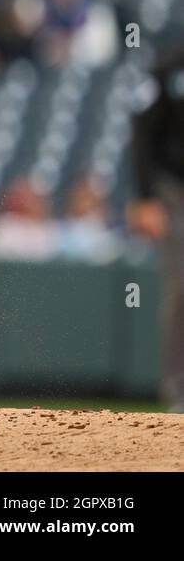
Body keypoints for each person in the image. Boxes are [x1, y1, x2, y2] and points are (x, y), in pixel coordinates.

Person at [129, 43, 184, 413]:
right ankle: (178, 393)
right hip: (174, 188)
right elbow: (142, 131)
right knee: (181, 287)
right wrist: (146, 196)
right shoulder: (171, 65)